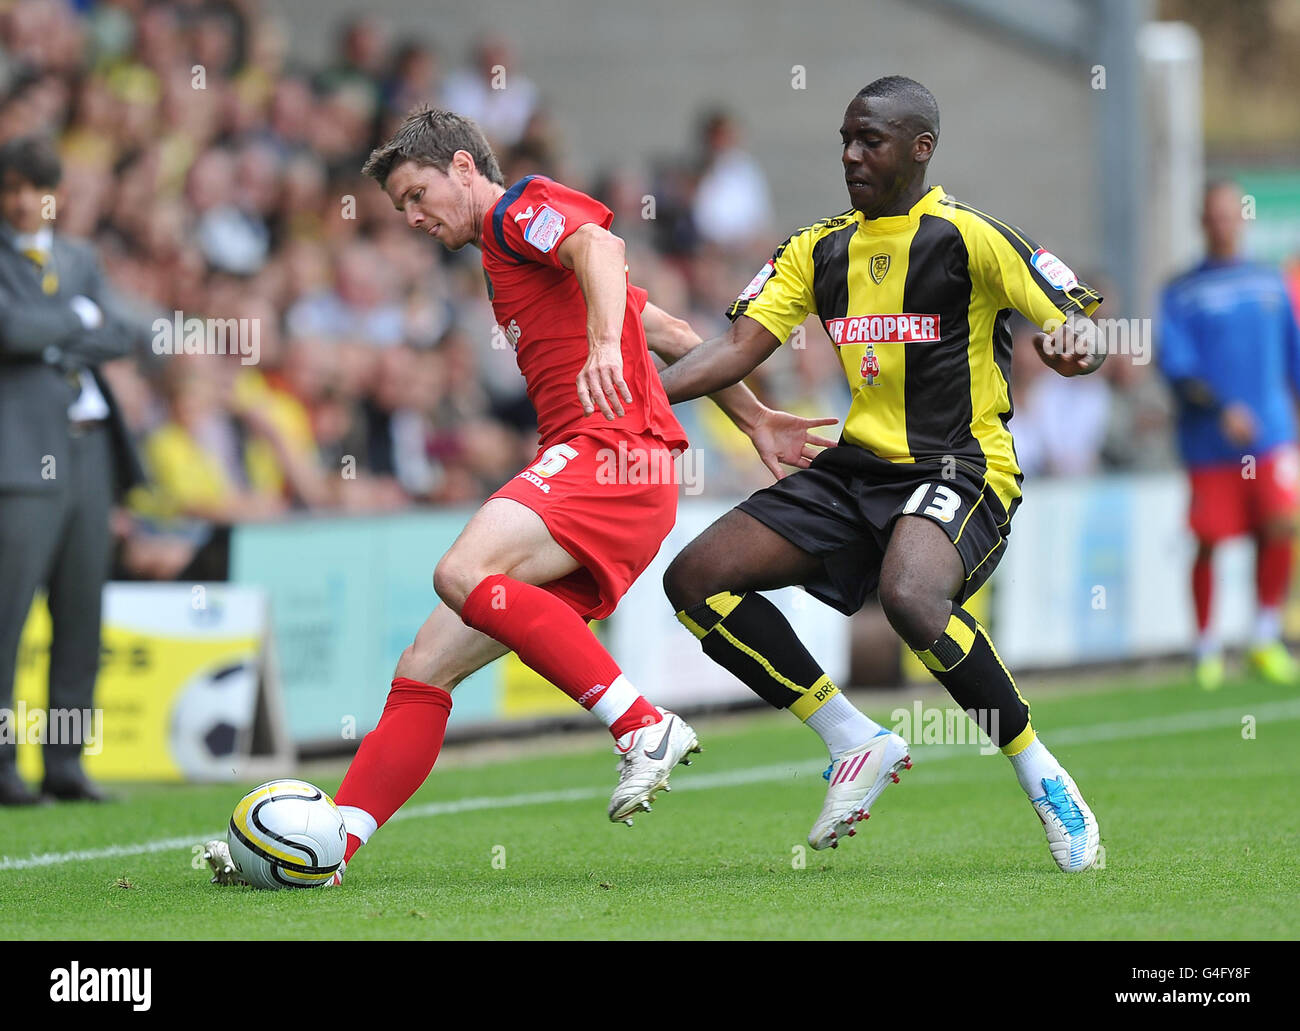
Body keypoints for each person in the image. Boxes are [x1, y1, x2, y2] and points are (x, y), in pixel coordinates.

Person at [205, 107, 830, 885]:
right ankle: (331, 848)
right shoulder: (519, 259)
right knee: (424, 666)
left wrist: (603, 347)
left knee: (460, 572)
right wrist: (754, 416)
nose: (413, 216)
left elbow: (601, 243)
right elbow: (664, 327)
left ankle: (643, 725)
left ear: (464, 167)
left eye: (418, 193)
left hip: (607, 457)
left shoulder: (513, 213)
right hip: (619, 474)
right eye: (400, 207)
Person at [657, 77, 1104, 872]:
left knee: (909, 595)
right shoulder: (815, 247)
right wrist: (634, 394)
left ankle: (1043, 774)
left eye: (871, 141)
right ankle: (851, 737)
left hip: (963, 467)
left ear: (920, 149)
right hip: (857, 470)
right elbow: (734, 351)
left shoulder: (973, 238)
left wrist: (1078, 348)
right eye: (845, 140)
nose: (851, 156)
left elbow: (1081, 326)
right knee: (696, 580)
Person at [0, 135, 142, 805]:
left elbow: (121, 332)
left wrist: (53, 327)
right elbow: (8, 331)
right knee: (7, 615)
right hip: (22, 460)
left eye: (34, 187)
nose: (23, 200)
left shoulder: (80, 256)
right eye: (11, 188)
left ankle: (65, 761)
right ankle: (2, 765)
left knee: (82, 614)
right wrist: (72, 321)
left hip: (89, 455)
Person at [1157, 180, 1300, 690]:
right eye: (1213, 215)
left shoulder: (1270, 282)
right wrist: (1219, 407)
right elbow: (1175, 367)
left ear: (1243, 219)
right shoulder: (1183, 291)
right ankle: (1206, 648)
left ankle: (1264, 637)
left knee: (1282, 524)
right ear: (1202, 222)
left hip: (1271, 435)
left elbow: (1293, 355)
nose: (1223, 223)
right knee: (1211, 540)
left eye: (1230, 214)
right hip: (1210, 443)